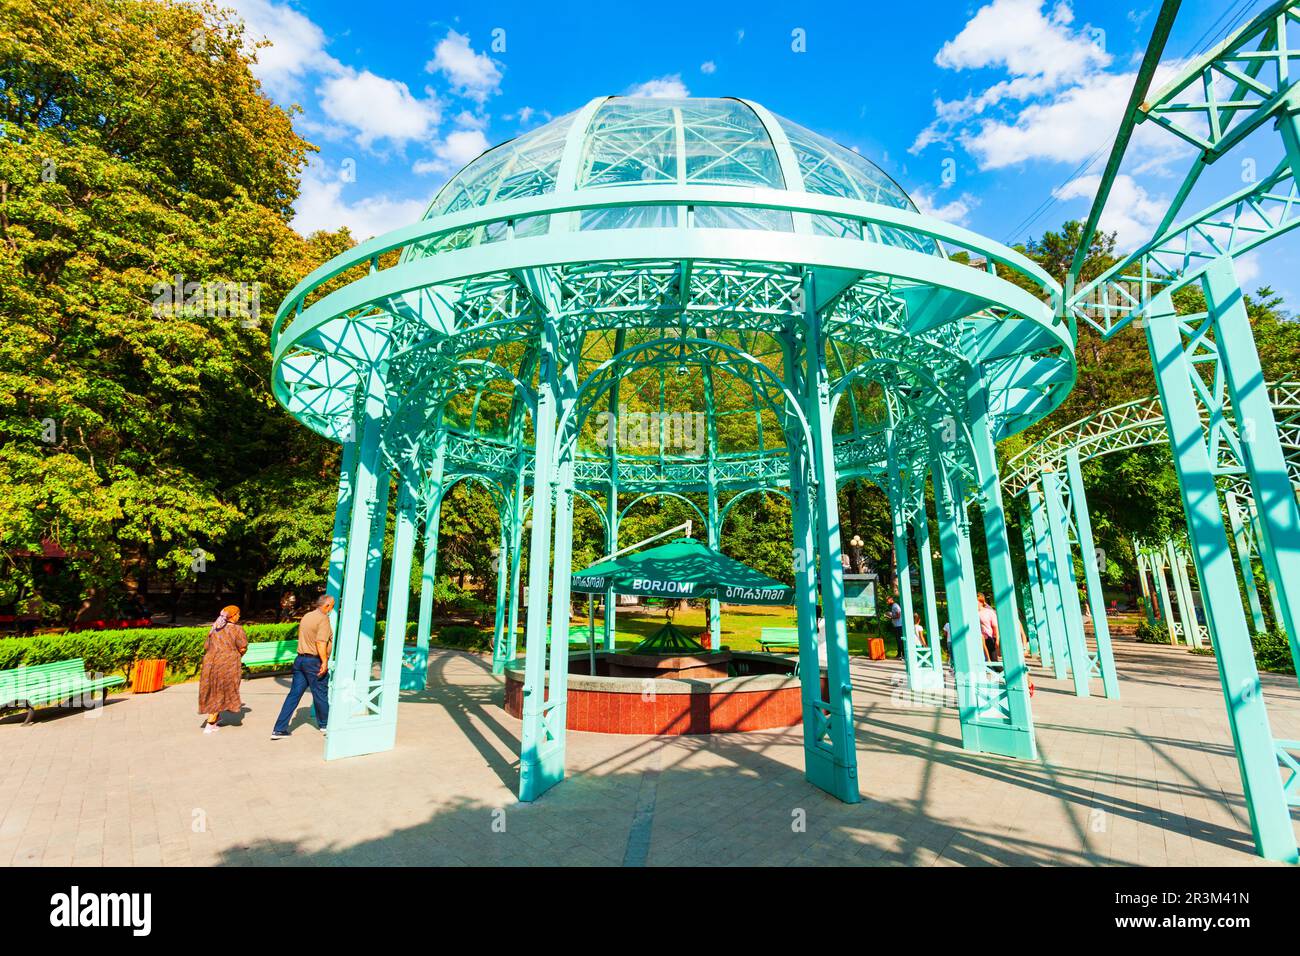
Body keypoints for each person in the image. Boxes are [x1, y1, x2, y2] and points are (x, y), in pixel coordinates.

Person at [271, 594, 333, 740]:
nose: (332, 608)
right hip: (314, 661)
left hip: (300, 660)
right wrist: (324, 662)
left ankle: (279, 729)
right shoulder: (323, 619)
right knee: (320, 694)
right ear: (326, 606)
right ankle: (325, 725)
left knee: (293, 695)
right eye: (332, 605)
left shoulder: (307, 616)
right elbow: (320, 642)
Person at [198, 605, 247, 734]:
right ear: (232, 616)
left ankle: (216, 716)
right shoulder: (237, 629)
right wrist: (236, 655)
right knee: (221, 690)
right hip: (228, 664)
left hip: (210, 662)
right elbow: (242, 647)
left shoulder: (214, 628)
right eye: (238, 614)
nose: (239, 616)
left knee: (213, 688)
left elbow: (206, 646)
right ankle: (211, 723)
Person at [976, 592, 1000, 661]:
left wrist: (997, 639)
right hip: (980, 639)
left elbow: (995, 626)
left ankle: (1002, 671)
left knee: (994, 660)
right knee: (985, 661)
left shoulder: (989, 612)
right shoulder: (974, 613)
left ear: (980, 602)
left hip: (990, 638)